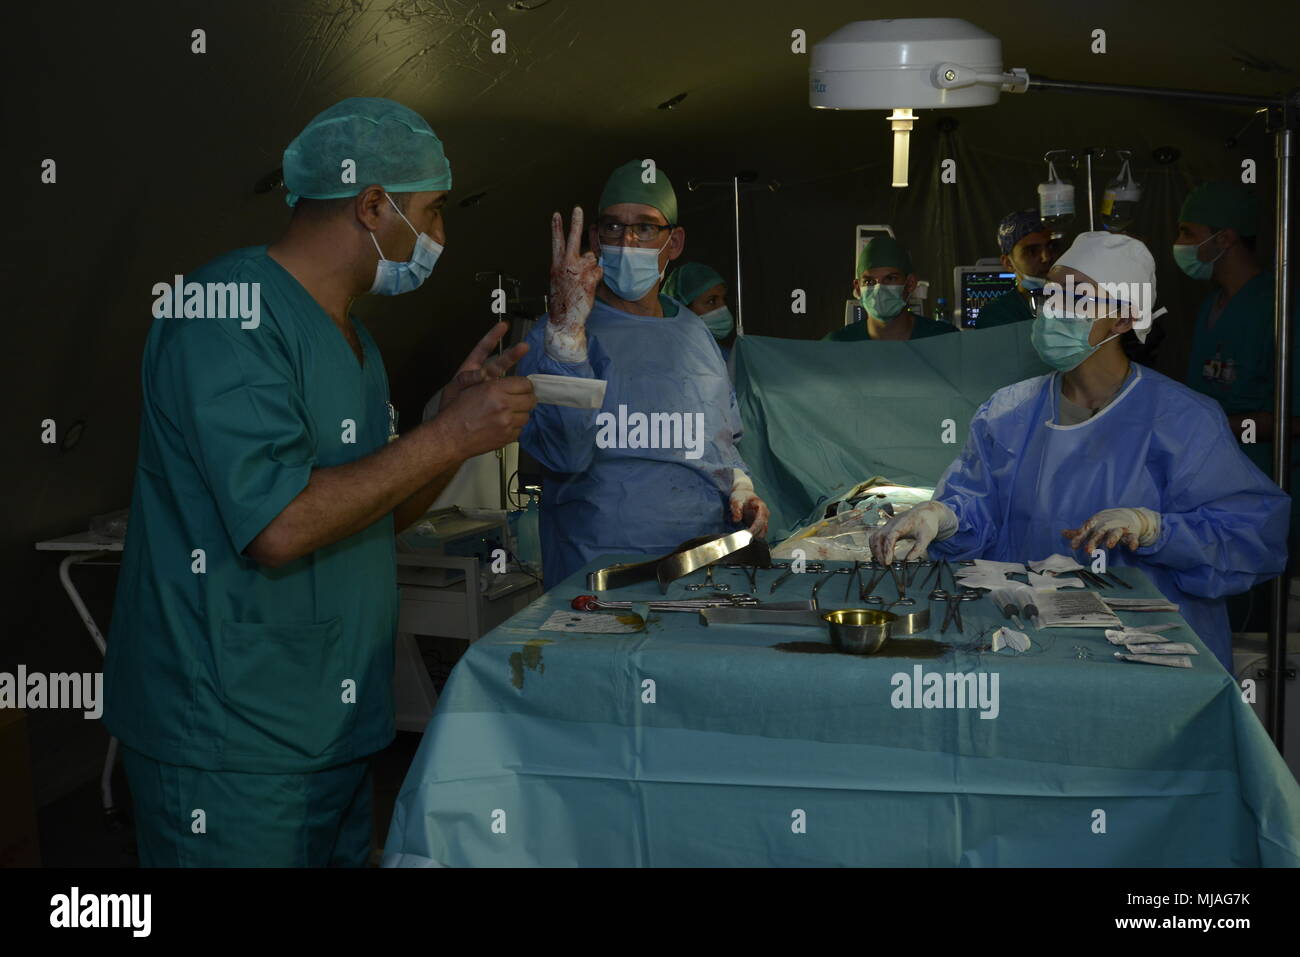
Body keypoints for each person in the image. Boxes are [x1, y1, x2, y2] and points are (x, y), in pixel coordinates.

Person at [102, 97, 537, 866]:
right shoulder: (227, 313)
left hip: (330, 727)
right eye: (431, 213)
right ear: (373, 204)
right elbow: (281, 525)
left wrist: (449, 425)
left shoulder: (354, 341)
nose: (440, 237)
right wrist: (446, 435)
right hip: (231, 737)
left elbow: (372, 512)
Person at [867, 231, 1289, 670]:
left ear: (1124, 318)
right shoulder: (1008, 412)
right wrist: (945, 517)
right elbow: (979, 512)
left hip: (1149, 661)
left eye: (1075, 297)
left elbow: (1252, 538)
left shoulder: (1183, 420)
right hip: (1028, 646)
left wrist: (1155, 529)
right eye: (1050, 293)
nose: (1054, 308)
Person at [517, 160, 769, 588]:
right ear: (595, 238)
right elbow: (562, 453)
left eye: (646, 228)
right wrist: (567, 340)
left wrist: (740, 487)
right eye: (614, 227)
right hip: (597, 572)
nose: (628, 240)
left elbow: (719, 441)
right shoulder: (558, 336)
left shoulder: (693, 333)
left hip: (700, 564)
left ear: (674, 242)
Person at [824, 235, 956, 341]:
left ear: (910, 283)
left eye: (890, 278)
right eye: (869, 281)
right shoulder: (838, 346)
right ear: (858, 288)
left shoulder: (943, 339)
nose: (879, 289)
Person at [974, 209, 1061, 329]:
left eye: (1052, 247)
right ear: (1008, 263)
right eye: (1032, 251)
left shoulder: (1078, 300)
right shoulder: (998, 315)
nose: (1046, 257)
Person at [663, 261, 735, 358]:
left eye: (724, 299)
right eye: (711, 301)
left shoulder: (724, 356)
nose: (723, 308)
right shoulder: (668, 358)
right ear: (683, 307)